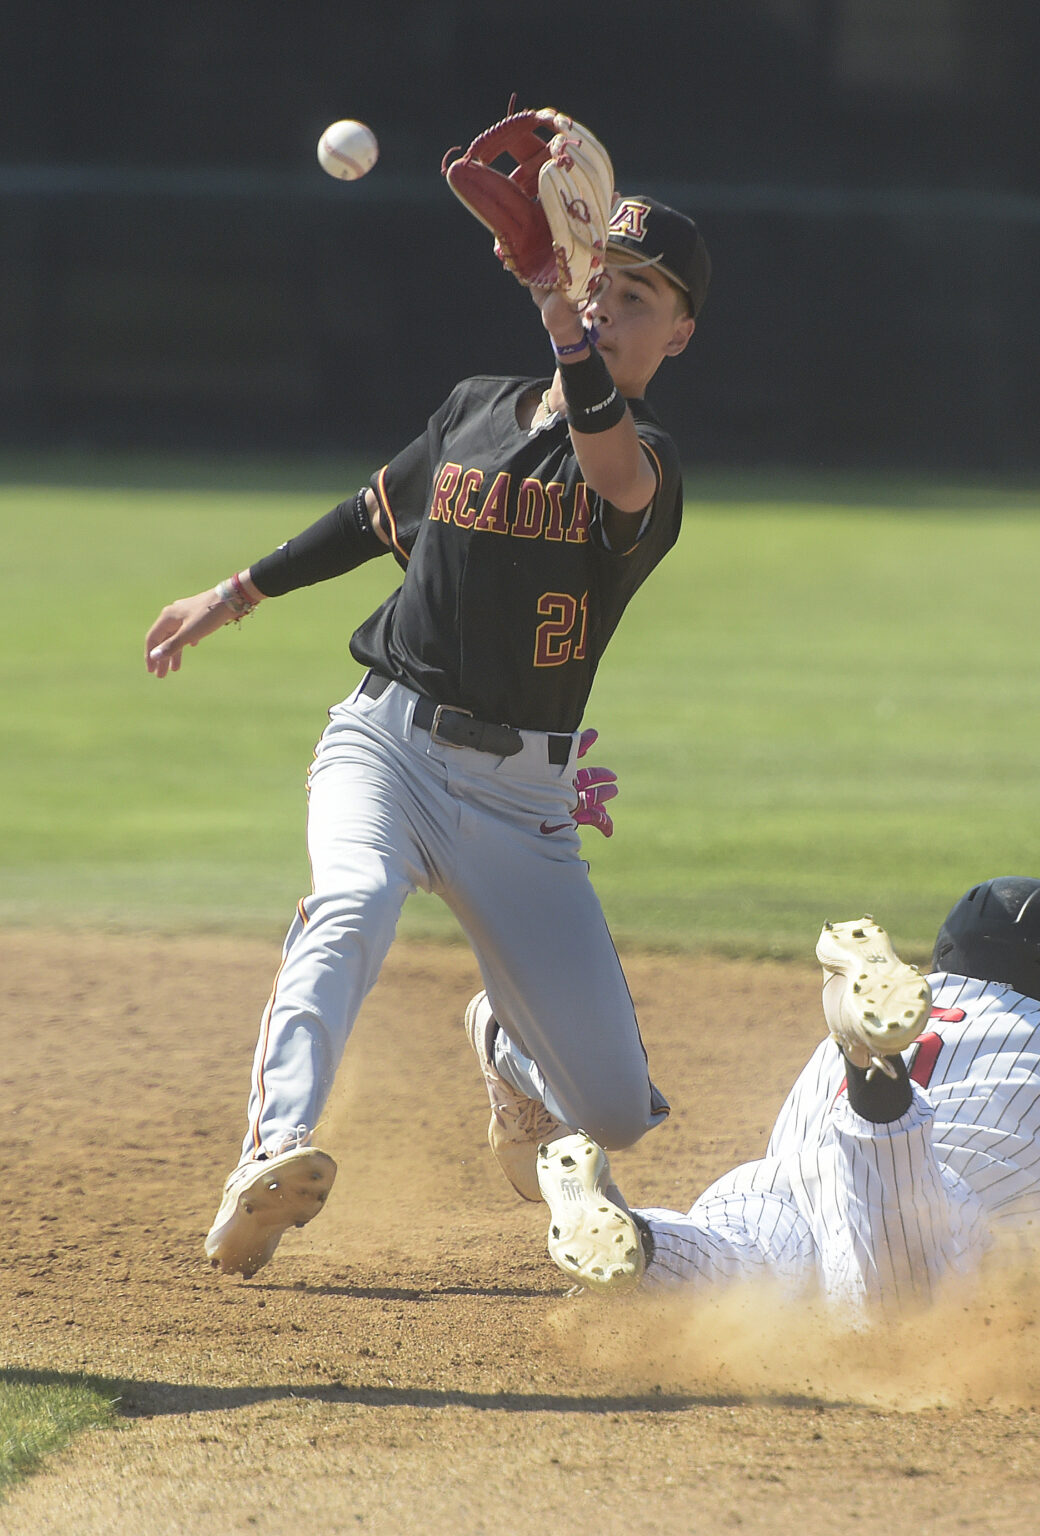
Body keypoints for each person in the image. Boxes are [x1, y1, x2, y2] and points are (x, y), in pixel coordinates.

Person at [143, 194, 711, 1279]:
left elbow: (609, 471)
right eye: (598, 281)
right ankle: (269, 1154)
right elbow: (370, 519)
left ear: (678, 335)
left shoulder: (650, 464)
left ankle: (505, 1049)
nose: (607, 305)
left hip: (522, 802)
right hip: (388, 745)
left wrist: (562, 327)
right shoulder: (475, 410)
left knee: (612, 1111)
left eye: (638, 297)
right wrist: (234, 593)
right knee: (351, 902)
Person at [534, 878, 1040, 1312]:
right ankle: (871, 1069)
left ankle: (646, 1238)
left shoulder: (912, 1006)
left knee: (736, 1267)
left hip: (777, 1183)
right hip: (920, 1210)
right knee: (890, 1306)